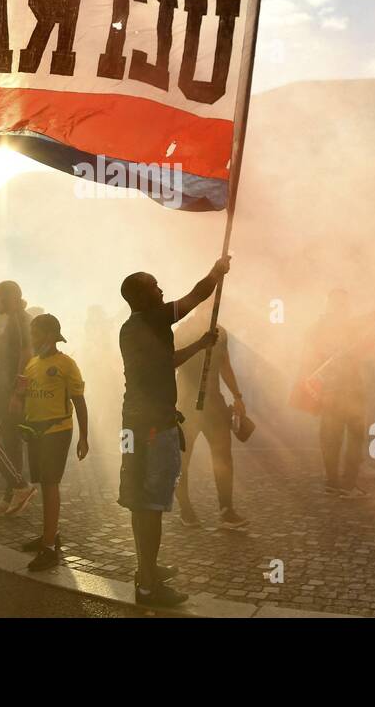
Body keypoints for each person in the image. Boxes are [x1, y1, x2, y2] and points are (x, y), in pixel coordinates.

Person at [118, 256, 230, 607]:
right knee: (150, 503)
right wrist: (216, 271)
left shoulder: (132, 327)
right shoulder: (153, 317)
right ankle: (149, 586)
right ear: (142, 296)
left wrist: (199, 346)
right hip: (154, 424)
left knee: (140, 499)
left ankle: (146, 569)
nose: (161, 289)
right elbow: (195, 297)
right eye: (154, 286)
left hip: (135, 422)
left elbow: (164, 361)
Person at [305, 273, 375, 497]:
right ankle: (347, 485)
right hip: (348, 389)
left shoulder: (318, 327)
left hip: (331, 390)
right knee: (354, 436)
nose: (346, 307)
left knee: (331, 437)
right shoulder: (346, 325)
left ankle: (332, 482)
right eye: (343, 303)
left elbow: (309, 359)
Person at [14, 313, 89, 571]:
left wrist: (84, 437)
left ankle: (48, 548)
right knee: (43, 484)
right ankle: (50, 534)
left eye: (36, 333)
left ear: (50, 335)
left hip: (57, 430)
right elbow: (24, 395)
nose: (32, 338)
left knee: (50, 484)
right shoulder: (32, 363)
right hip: (34, 432)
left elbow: (79, 400)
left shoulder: (66, 363)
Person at [175, 315, 247, 528]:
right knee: (181, 459)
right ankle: (185, 508)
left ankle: (227, 509)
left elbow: (225, 365)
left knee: (223, 456)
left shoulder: (220, 331)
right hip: (187, 404)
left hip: (214, 404)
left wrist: (237, 396)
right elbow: (172, 362)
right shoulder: (182, 331)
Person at [0, 280, 35, 516]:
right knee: (10, 443)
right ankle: (10, 497)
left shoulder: (20, 320)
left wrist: (17, 393)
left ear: (12, 297)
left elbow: (26, 356)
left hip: (7, 391)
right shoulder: (3, 320)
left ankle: (20, 487)